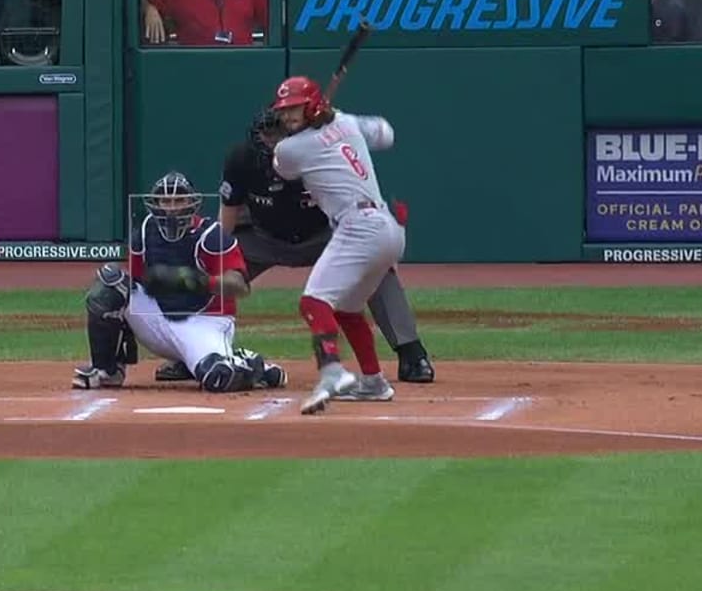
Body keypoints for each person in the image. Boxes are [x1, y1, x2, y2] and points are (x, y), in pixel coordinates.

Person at [153, 107, 434, 386]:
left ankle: (411, 353)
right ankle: (193, 353)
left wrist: (375, 252)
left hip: (323, 236)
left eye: (278, 134)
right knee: (208, 276)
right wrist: (215, 257)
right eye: (265, 135)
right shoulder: (242, 158)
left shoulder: (315, 152)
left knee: (378, 272)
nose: (271, 140)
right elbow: (228, 213)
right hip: (262, 238)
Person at [267, 76, 408, 416]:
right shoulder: (345, 122)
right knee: (345, 309)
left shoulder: (290, 149)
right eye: (285, 111)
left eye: (295, 109)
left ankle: (331, 371)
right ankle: (373, 382)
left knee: (313, 302)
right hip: (389, 230)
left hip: (359, 228)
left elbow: (283, 167)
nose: (287, 117)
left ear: (313, 103)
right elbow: (386, 133)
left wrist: (328, 125)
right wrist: (341, 121)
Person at [73, 171, 287, 392]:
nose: (172, 207)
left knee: (219, 377)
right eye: (166, 201)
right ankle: (106, 370)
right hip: (158, 316)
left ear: (192, 203)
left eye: (179, 200)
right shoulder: (145, 231)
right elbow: (133, 286)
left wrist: (191, 281)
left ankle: (250, 364)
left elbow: (240, 286)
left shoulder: (210, 235)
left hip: (204, 321)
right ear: (156, 204)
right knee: (111, 282)